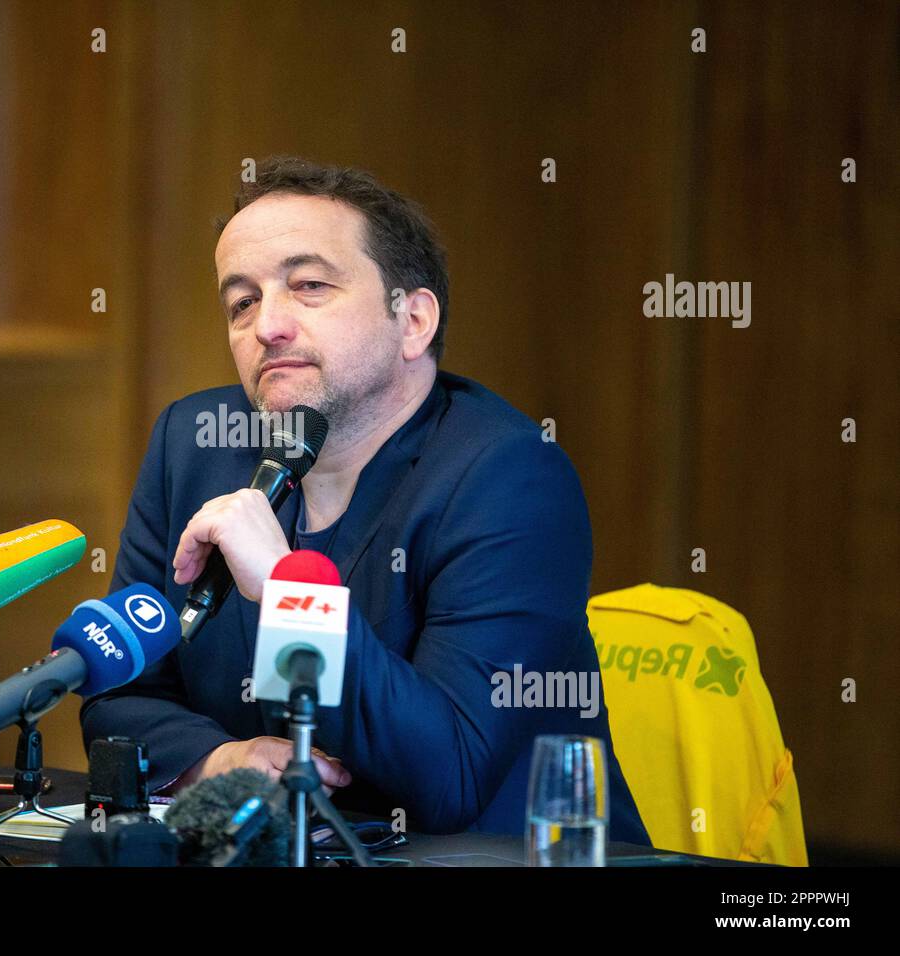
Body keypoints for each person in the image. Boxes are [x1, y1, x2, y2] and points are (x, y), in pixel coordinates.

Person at [80, 156, 650, 841]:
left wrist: (288, 595)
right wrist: (217, 760)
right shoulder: (195, 446)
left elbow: (450, 774)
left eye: (309, 285)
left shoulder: (508, 477)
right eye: (242, 301)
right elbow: (117, 688)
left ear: (412, 320)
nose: (267, 326)